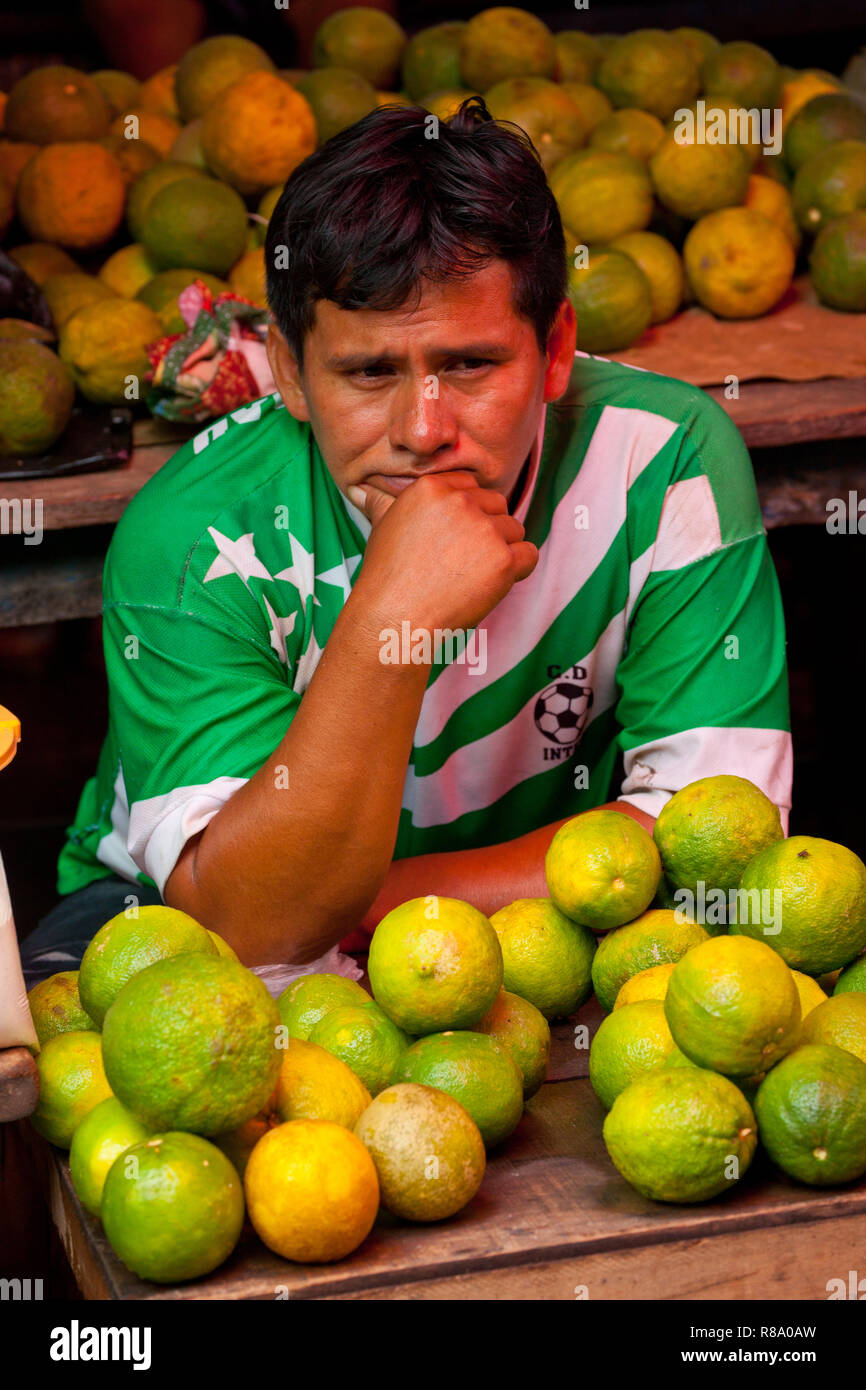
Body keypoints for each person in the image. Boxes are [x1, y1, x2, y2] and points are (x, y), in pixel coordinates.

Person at [20, 100, 791, 992]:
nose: (423, 430)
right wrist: (393, 616)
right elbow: (255, 925)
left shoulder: (665, 458)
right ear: (294, 373)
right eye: (368, 371)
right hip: (173, 919)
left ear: (556, 349)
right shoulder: (194, 537)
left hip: (532, 908)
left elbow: (718, 836)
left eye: (469, 365)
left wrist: (391, 896)